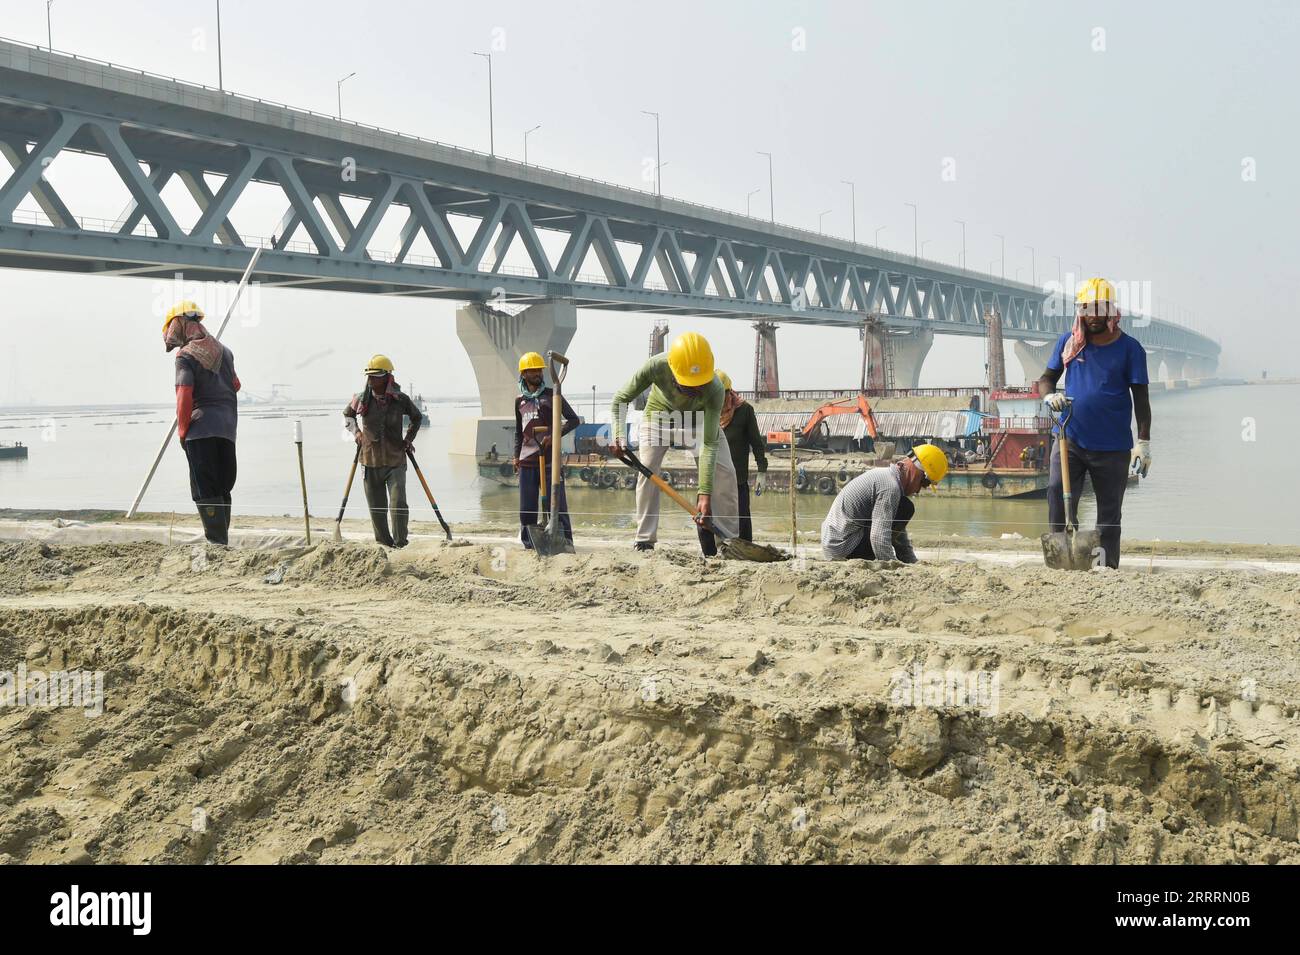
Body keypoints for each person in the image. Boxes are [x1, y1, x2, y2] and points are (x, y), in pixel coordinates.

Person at [1038, 277, 1152, 569]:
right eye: (1086, 310)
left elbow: (1141, 399)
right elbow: (1046, 378)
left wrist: (1144, 443)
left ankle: (1106, 567)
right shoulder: (1069, 343)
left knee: (1109, 514)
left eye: (1099, 310)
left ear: (1111, 312)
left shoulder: (1130, 349)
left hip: (1113, 447)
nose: (1092, 317)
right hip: (1069, 438)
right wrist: (1050, 396)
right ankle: (1062, 559)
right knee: (1055, 491)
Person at [610, 332, 740, 555]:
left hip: (697, 421)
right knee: (647, 470)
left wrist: (704, 493)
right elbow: (620, 399)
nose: (695, 391)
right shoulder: (656, 366)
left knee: (725, 472)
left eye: (700, 385)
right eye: (688, 387)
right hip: (658, 418)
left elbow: (709, 444)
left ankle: (728, 542)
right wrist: (619, 435)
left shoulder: (716, 388)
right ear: (672, 372)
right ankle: (644, 540)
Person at [164, 301, 240, 546]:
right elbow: (236, 385)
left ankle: (216, 544)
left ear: (180, 325)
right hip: (227, 429)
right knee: (222, 486)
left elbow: (184, 392)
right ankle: (222, 542)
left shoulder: (185, 356)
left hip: (201, 430)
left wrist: (183, 431)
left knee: (204, 489)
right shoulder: (225, 351)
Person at [343, 355, 422, 548]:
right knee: (377, 509)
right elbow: (348, 416)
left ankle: (400, 543)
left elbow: (416, 418)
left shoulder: (400, 400)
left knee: (398, 505)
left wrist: (408, 439)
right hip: (369, 462)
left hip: (396, 461)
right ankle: (384, 544)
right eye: (369, 376)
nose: (371, 380)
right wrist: (357, 433)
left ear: (387, 377)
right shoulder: (360, 399)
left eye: (376, 376)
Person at [821, 445, 948, 562]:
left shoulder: (887, 478)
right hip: (843, 547)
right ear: (917, 471)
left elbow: (898, 534)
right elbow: (878, 538)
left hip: (837, 542)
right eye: (924, 483)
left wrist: (911, 561)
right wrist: (893, 567)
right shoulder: (890, 487)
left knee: (902, 507)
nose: (919, 490)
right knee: (906, 508)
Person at [513, 351, 580, 549]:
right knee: (527, 508)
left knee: (557, 504)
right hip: (527, 461)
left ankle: (566, 542)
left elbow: (573, 420)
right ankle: (529, 543)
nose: (537, 373)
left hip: (550, 460)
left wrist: (554, 435)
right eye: (532, 370)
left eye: (539, 369)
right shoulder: (519, 401)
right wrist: (516, 456)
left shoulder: (553, 395)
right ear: (523, 374)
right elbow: (519, 431)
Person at [717, 371, 768, 542]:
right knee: (714, 517)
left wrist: (762, 471)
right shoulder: (707, 410)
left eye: (722, 394)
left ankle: (745, 547)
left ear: (729, 392)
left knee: (742, 517)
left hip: (738, 478)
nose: (719, 399)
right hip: (714, 477)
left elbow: (757, 443)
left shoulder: (745, 410)